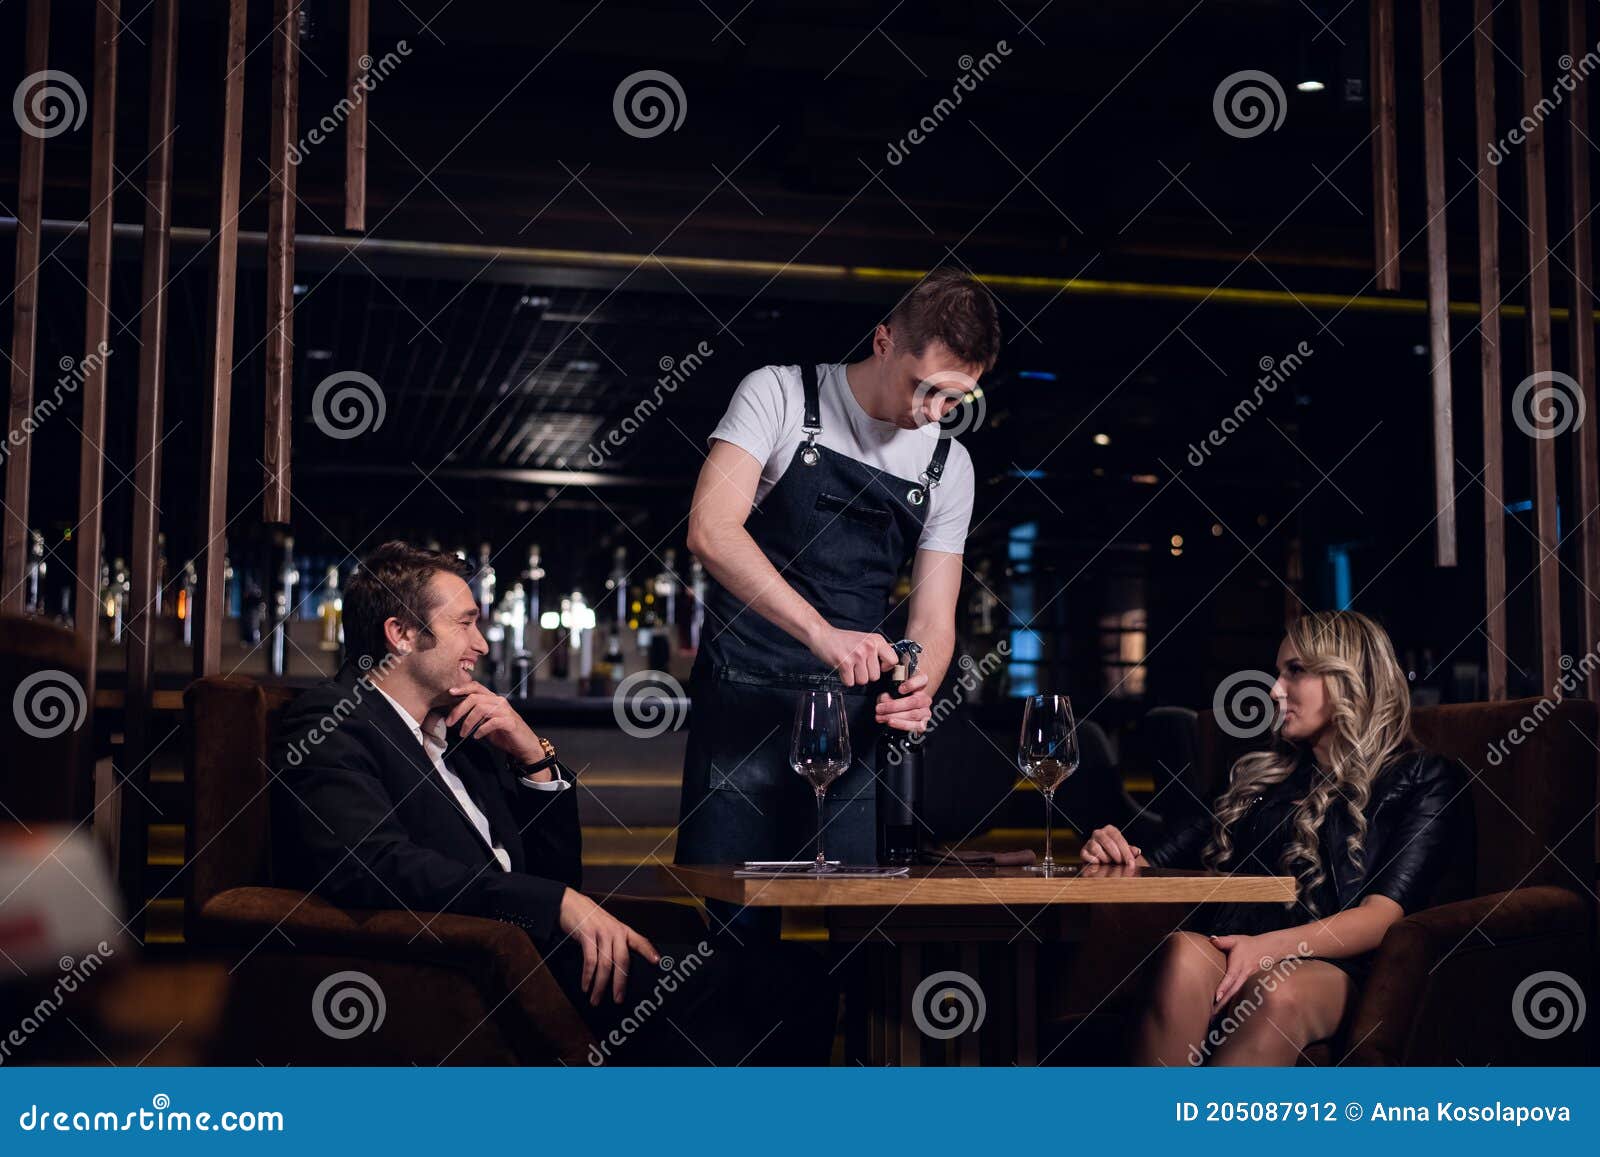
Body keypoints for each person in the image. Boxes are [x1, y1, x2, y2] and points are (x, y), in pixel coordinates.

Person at [272, 541, 836, 1064]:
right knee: (766, 989)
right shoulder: (332, 721)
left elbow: (558, 873)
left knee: (795, 973)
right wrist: (552, 904)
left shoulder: (464, 731)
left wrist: (533, 759)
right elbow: (373, 865)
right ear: (400, 633)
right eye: (465, 624)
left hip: (537, 952)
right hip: (470, 967)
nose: (481, 644)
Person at [676, 268, 1002, 935]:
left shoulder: (950, 466)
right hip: (744, 704)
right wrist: (821, 633)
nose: (936, 412)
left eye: (956, 397)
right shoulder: (779, 394)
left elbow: (933, 619)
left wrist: (920, 682)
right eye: (925, 387)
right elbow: (710, 530)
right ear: (883, 341)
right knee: (737, 943)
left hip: (851, 727)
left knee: (862, 940)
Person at [1079, 610, 1470, 1065]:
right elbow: (1154, 862)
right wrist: (1113, 851)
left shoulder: (1423, 776)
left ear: (1347, 679)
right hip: (1238, 945)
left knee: (1276, 989)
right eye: (1278, 672)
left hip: (1343, 964)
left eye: (1295, 671)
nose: (1273, 690)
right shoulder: (1257, 776)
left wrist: (1269, 949)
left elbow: (1381, 917)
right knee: (1184, 951)